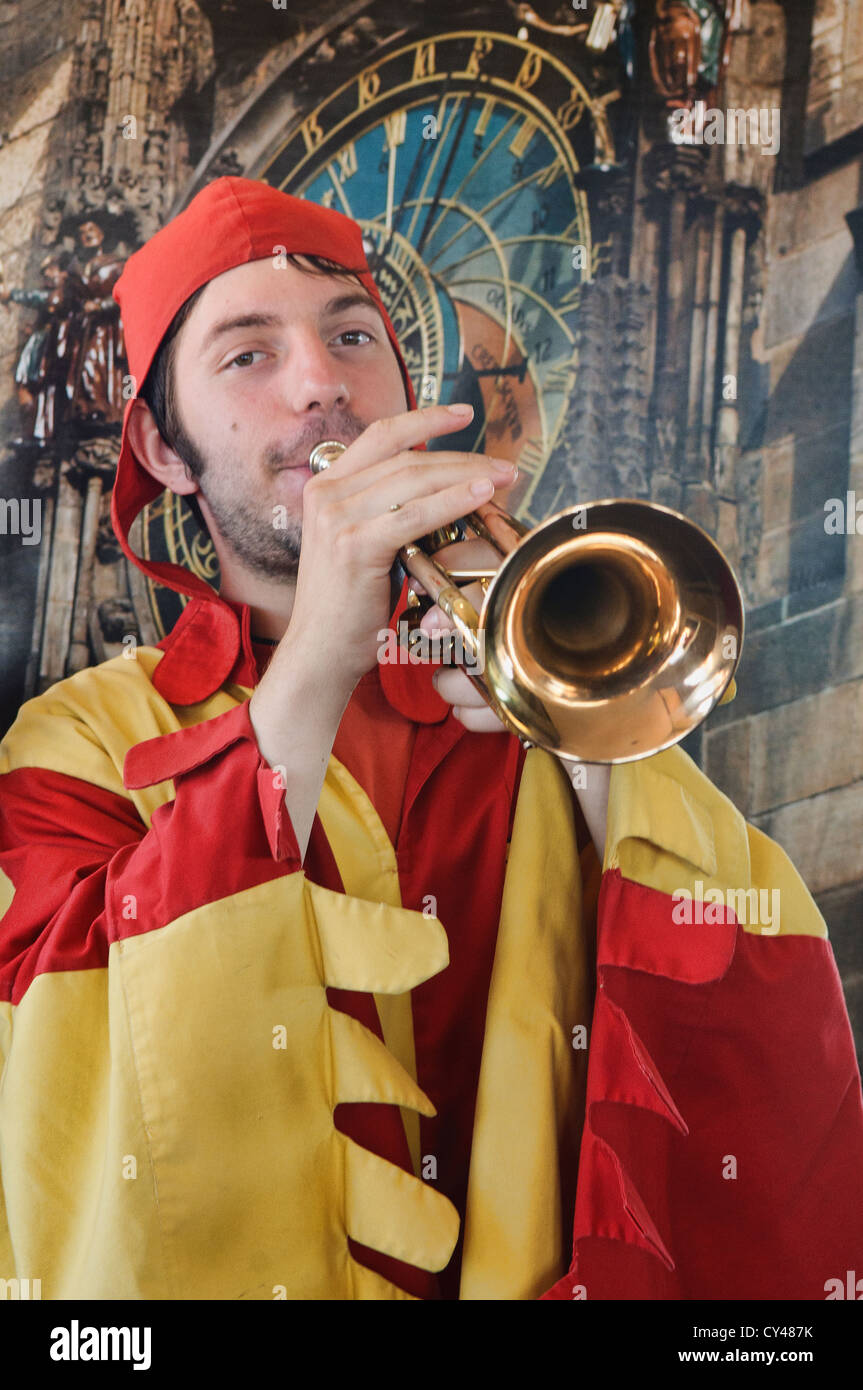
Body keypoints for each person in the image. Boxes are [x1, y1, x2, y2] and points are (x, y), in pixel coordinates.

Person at [0, 176, 860, 1302]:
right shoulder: (72, 743)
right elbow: (63, 1100)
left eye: (351, 336)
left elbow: (765, 1026)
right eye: (247, 355)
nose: (321, 385)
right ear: (162, 447)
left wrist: (594, 763)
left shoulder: (538, 710)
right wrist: (311, 668)